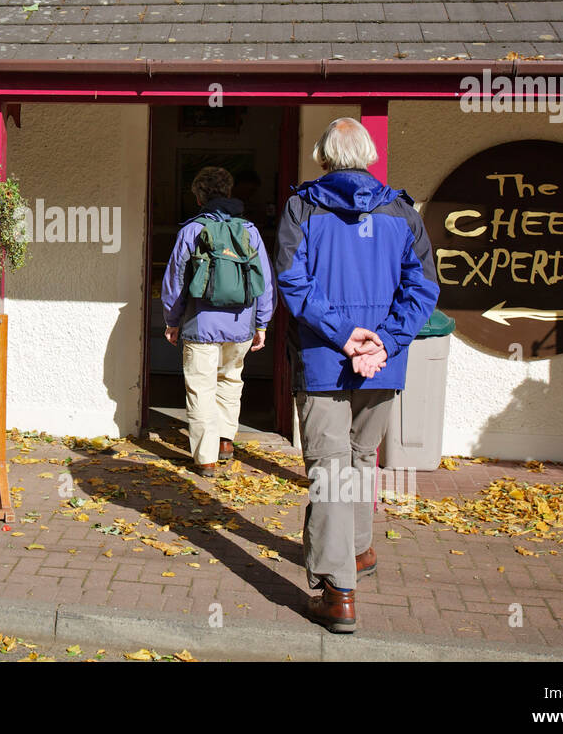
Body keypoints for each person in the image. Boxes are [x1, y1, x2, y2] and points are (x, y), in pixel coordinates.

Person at [275, 118, 438, 633]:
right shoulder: (402, 212)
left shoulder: (302, 207)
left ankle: (338, 589)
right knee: (360, 459)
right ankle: (359, 552)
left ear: (323, 156)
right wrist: (383, 342)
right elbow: (424, 290)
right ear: (367, 155)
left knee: (330, 468)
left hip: (325, 360)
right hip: (381, 365)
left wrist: (346, 335)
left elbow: (293, 282)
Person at [161, 166, 275, 474]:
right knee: (230, 380)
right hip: (241, 325)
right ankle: (226, 441)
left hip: (200, 325)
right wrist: (262, 323)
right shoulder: (249, 230)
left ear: (198, 198)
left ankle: (206, 458)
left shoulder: (191, 231)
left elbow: (175, 282)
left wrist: (172, 320)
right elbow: (265, 280)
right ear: (229, 192)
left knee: (201, 389)